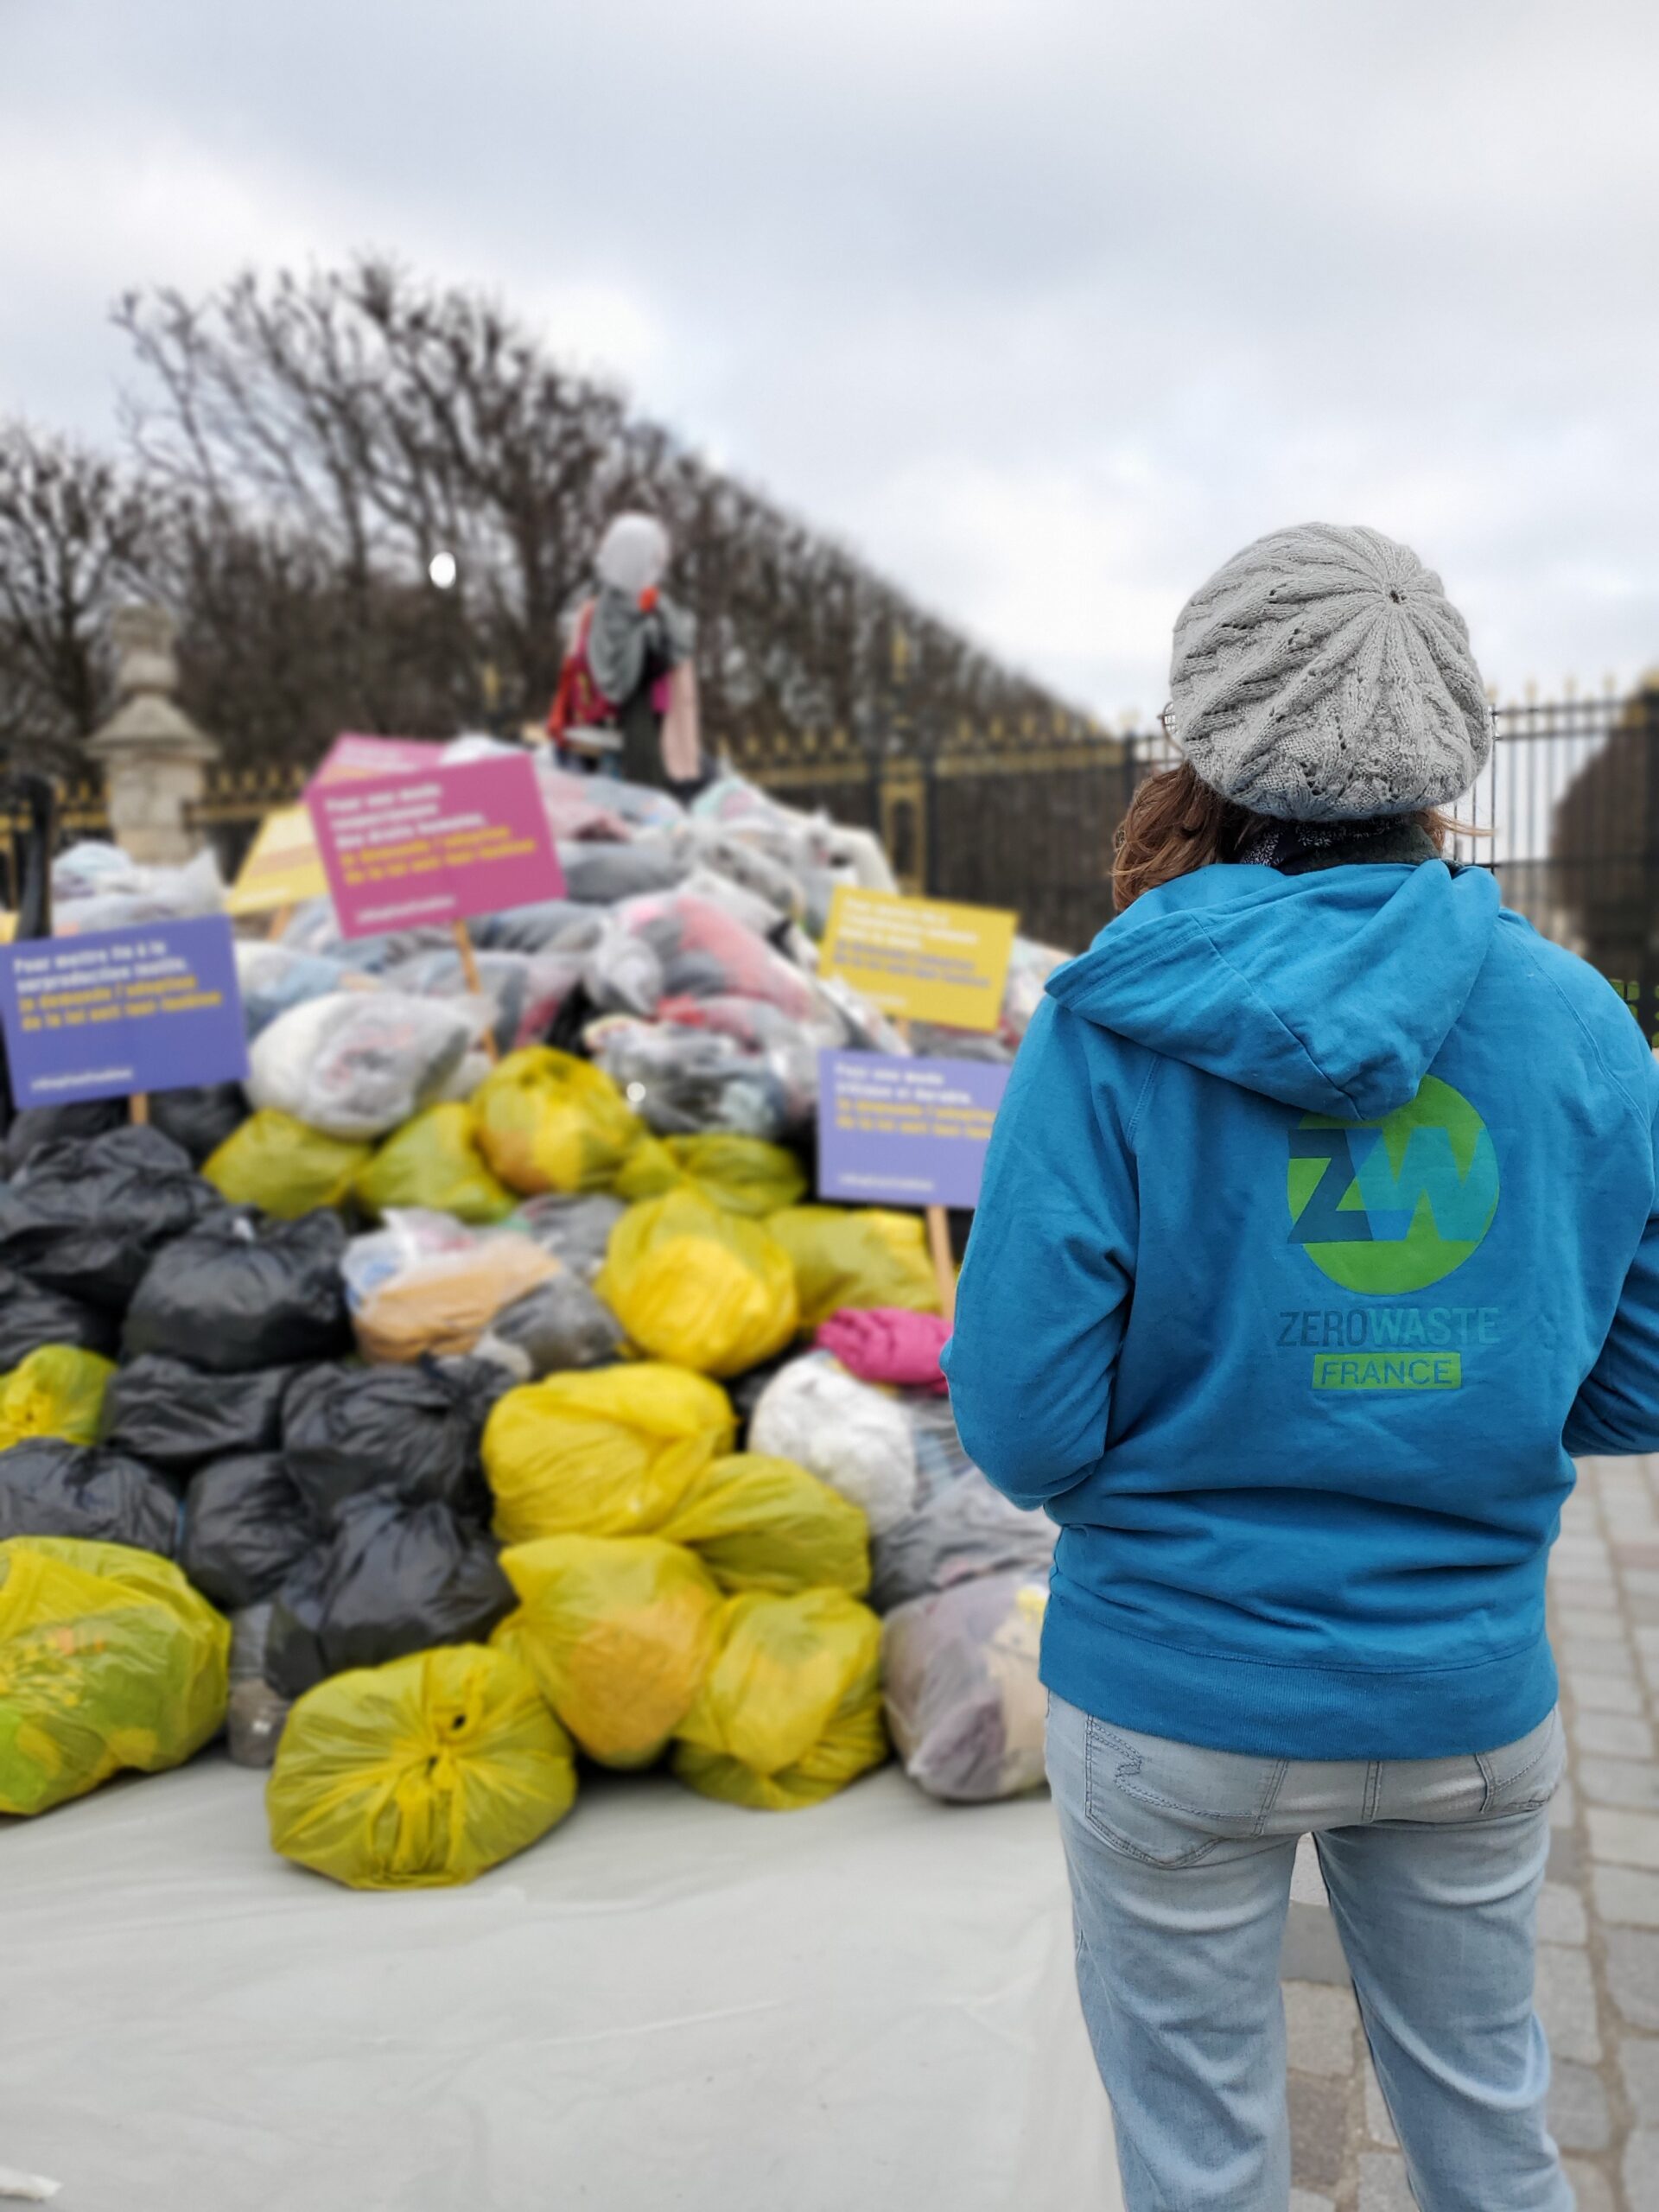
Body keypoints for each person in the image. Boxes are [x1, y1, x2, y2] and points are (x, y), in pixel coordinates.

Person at [944, 523, 1659, 2212]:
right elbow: (1634, 1384)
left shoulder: (1108, 1025)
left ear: (1208, 734)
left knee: (1206, 2161)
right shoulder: (1581, 1027)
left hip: (1175, 1689)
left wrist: (1211, 1435)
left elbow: (1020, 1424)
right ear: (1450, 751)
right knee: (1494, 2131)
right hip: (1468, 1687)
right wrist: (1455, 1376)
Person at [546, 512, 703, 798]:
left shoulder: (599, 613)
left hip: (609, 746)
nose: (661, 565)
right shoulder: (655, 617)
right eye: (655, 557)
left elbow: (570, 677)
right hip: (618, 751)